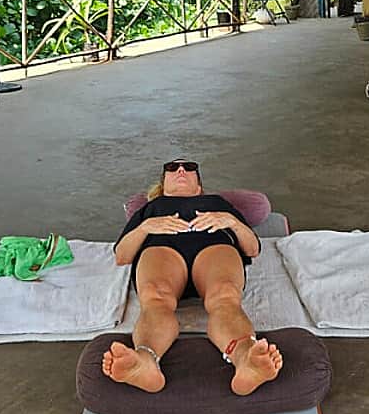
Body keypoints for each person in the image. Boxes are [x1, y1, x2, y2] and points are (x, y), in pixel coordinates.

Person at [101, 159, 283, 395]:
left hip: (213, 245)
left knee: (224, 294)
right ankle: (145, 361)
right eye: (172, 168)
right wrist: (146, 227)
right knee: (155, 296)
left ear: (199, 186)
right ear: (163, 184)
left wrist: (232, 222)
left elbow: (252, 249)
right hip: (162, 248)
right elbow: (122, 256)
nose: (180, 170)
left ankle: (245, 358)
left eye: (189, 167)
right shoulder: (151, 209)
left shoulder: (216, 203)